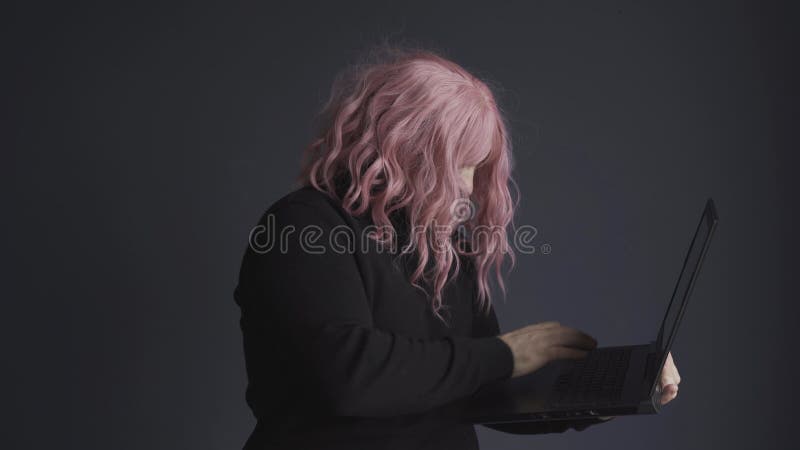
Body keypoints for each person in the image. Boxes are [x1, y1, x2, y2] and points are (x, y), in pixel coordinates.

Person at [233, 44, 681, 450]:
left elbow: (480, 387)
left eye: (477, 167)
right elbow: (349, 375)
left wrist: (610, 390)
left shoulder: (447, 249)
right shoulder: (302, 226)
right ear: (403, 147)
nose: (469, 187)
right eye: (460, 165)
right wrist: (503, 354)